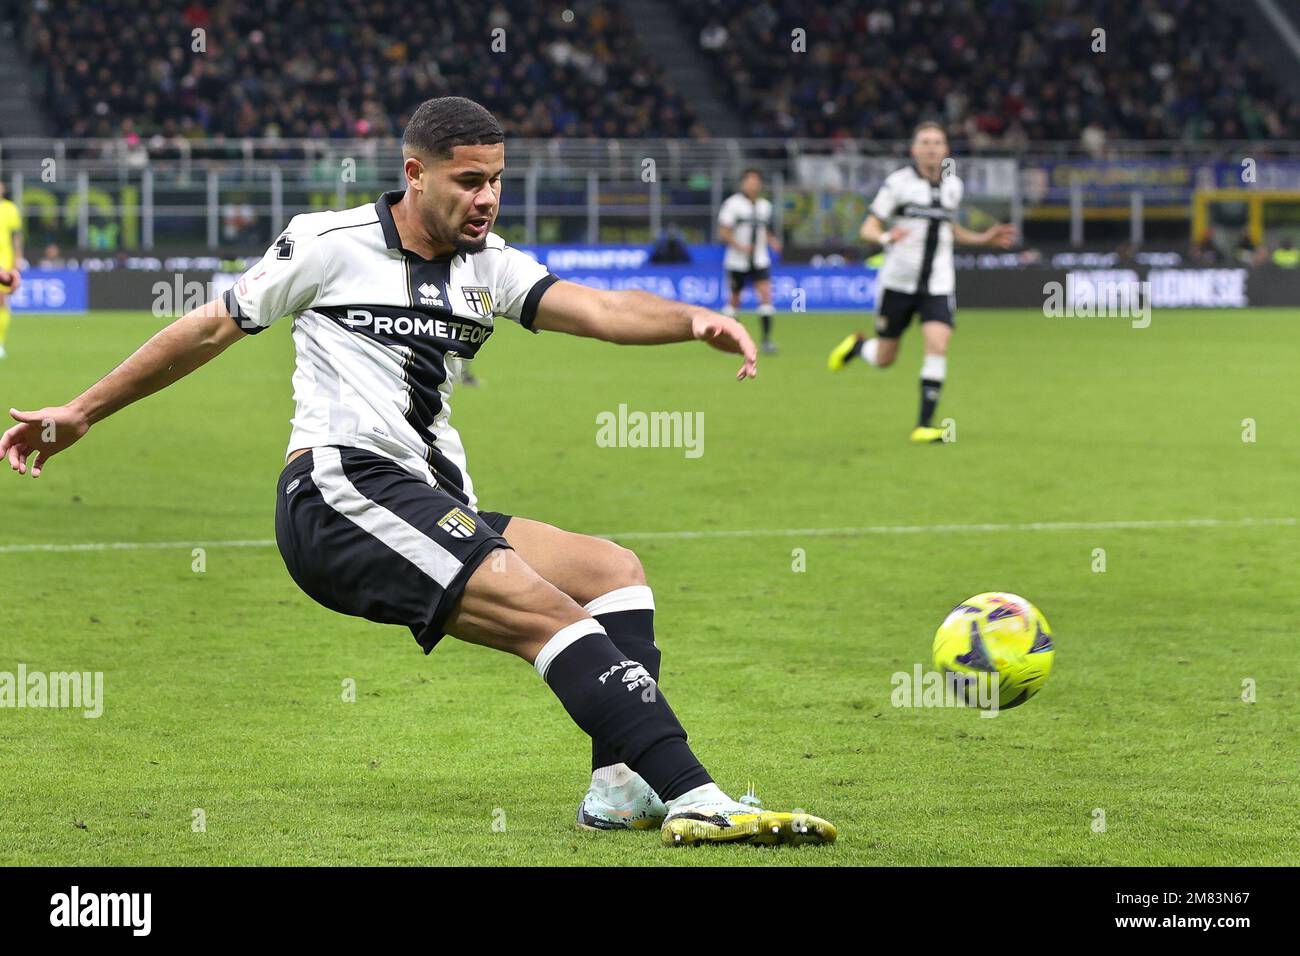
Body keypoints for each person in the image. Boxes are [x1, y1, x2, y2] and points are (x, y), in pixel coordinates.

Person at [1, 97, 835, 849]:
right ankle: (696, 794)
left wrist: (692, 318)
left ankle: (620, 791)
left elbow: (602, 308)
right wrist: (81, 410)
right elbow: (210, 330)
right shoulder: (327, 243)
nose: (486, 199)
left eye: (497, 181)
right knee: (548, 613)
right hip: (337, 492)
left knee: (612, 575)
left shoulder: (491, 266)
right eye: (468, 181)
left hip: (427, 500)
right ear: (413, 174)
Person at [827, 121, 1015, 443]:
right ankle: (859, 347)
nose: (931, 148)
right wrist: (886, 236)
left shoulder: (953, 187)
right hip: (898, 283)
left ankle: (924, 425)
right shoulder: (898, 184)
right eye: (925, 142)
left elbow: (948, 228)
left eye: (937, 142)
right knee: (886, 358)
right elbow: (868, 227)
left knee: (938, 343)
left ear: (946, 150)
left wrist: (984, 239)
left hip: (938, 284)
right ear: (914, 150)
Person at [717, 169, 781, 353]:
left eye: (756, 181)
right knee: (735, 300)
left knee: (766, 296)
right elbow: (723, 232)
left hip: (760, 259)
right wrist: (740, 246)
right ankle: (731, 342)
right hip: (737, 261)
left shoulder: (765, 206)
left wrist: (772, 241)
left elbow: (764, 230)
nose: (753, 185)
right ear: (743, 183)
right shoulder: (732, 205)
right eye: (750, 181)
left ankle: (767, 340)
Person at [0, 180, 24, 360]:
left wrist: (17, 258)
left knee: (1, 301)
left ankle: (0, 342)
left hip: (4, 260)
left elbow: (16, 237)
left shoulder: (10, 209)